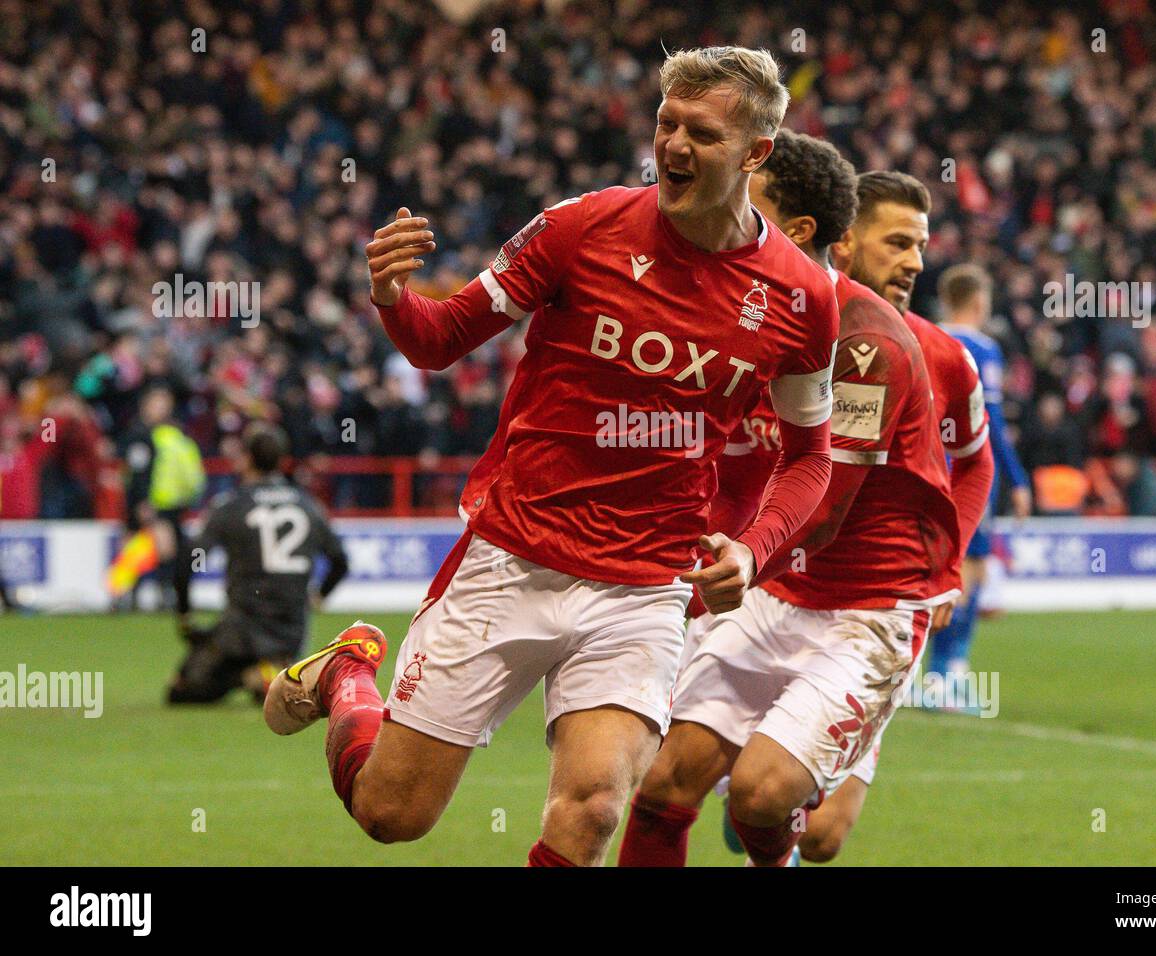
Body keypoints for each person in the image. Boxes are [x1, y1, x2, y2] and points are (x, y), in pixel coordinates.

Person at [263, 46, 840, 867]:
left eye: (702, 134)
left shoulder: (800, 296)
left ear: (757, 155)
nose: (673, 146)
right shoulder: (582, 225)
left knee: (597, 804)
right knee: (393, 814)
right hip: (515, 553)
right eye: (666, 123)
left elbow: (810, 458)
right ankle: (346, 678)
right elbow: (443, 339)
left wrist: (753, 550)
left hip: (644, 585)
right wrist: (394, 299)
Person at [617, 140, 960, 868]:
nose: (729, 215)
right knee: (661, 784)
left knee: (760, 798)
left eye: (750, 204)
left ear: (797, 229)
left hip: (869, 606)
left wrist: (723, 574)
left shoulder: (867, 344)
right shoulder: (755, 313)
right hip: (778, 588)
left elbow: (828, 506)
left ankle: (779, 855)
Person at [794, 171, 996, 864]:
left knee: (820, 836)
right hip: (772, 589)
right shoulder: (790, 334)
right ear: (844, 242)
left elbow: (975, 463)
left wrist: (946, 564)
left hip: (875, 609)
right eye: (898, 242)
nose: (914, 260)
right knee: (701, 778)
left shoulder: (947, 357)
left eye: (921, 245)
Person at [167, 422, 348, 705]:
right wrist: (319, 597)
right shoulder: (308, 504)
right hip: (292, 631)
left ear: (246, 459)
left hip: (241, 629)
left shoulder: (231, 505)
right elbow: (341, 562)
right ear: (282, 461)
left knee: (181, 691)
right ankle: (273, 672)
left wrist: (185, 615)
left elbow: (189, 560)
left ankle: (250, 675)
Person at [932, 264, 1032, 695]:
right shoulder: (982, 348)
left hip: (925, 469)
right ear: (978, 302)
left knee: (934, 568)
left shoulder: (923, 335)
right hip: (968, 473)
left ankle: (927, 671)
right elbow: (988, 423)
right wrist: (1018, 480)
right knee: (969, 570)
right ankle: (948, 670)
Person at [118, 385, 207, 610]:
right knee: (142, 548)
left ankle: (159, 595)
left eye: (165, 403)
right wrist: (141, 502)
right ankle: (128, 596)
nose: (162, 408)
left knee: (163, 549)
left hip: (167, 503)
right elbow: (137, 472)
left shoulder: (168, 434)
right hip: (146, 503)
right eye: (157, 403)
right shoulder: (139, 435)